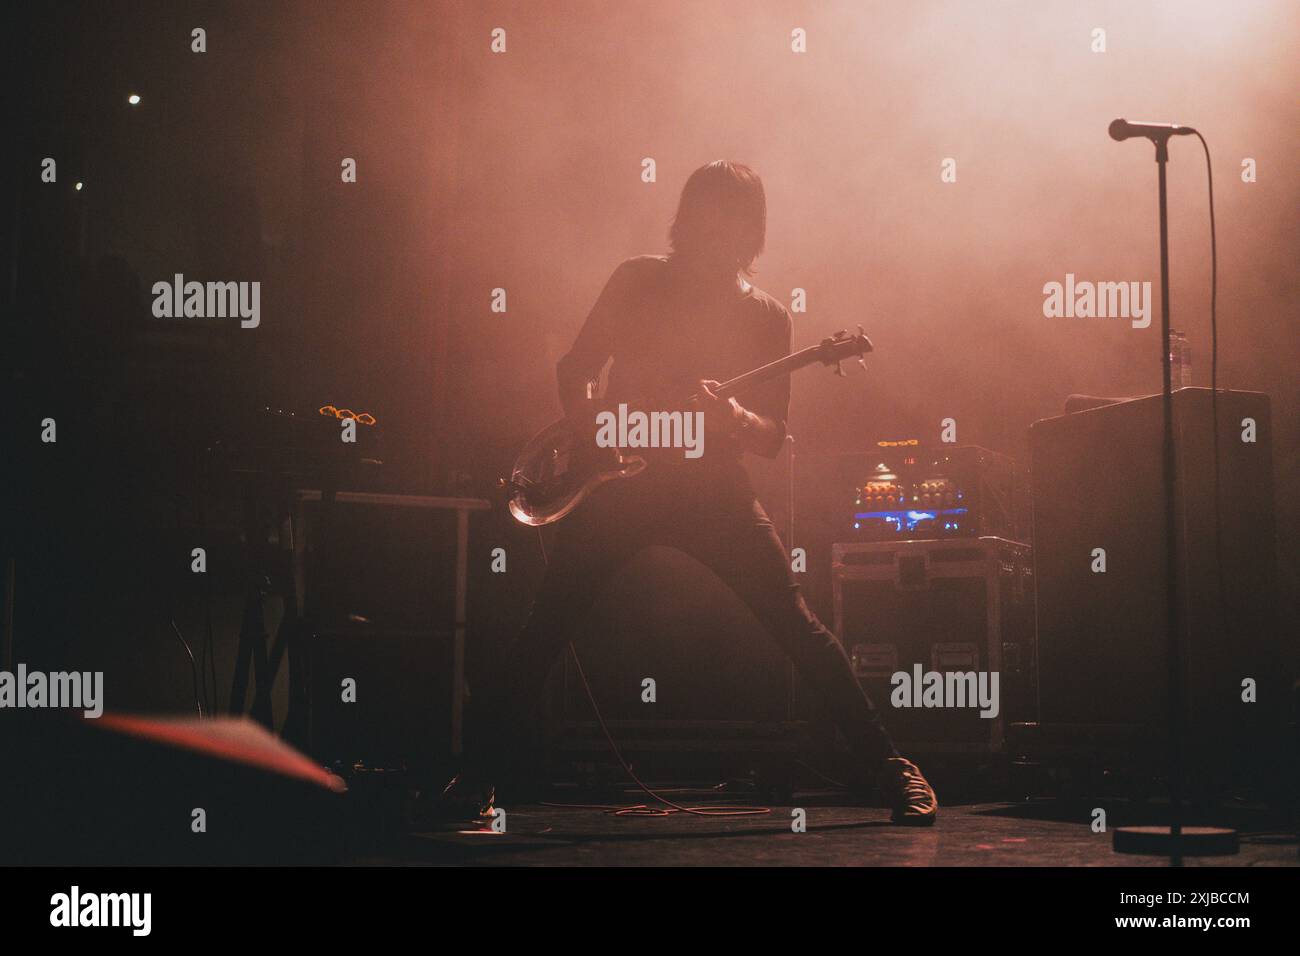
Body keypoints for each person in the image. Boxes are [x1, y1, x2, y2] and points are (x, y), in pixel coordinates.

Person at [442, 160, 937, 826]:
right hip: (621, 485)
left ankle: (891, 769)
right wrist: (595, 435)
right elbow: (577, 369)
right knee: (544, 629)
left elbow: (771, 436)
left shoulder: (766, 315)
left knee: (797, 625)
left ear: (751, 230)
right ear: (686, 218)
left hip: (711, 492)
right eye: (706, 212)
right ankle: (474, 779)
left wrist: (732, 419)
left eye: (732, 216)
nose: (716, 229)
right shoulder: (638, 278)